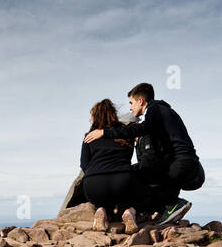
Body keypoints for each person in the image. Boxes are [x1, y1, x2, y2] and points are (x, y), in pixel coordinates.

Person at [84, 82, 203, 225]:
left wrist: (105, 132)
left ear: (141, 101)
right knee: (141, 178)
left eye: (131, 102)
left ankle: (173, 204)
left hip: (181, 164)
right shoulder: (161, 113)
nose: (130, 107)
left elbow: (142, 129)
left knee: (144, 183)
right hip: (183, 162)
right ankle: (155, 209)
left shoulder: (155, 109)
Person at [78, 99, 154, 231]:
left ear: (95, 117)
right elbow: (128, 159)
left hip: (93, 184)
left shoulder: (89, 136)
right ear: (114, 114)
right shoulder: (126, 134)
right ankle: (130, 212)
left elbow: (84, 164)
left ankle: (102, 210)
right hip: (122, 180)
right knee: (146, 193)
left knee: (103, 196)